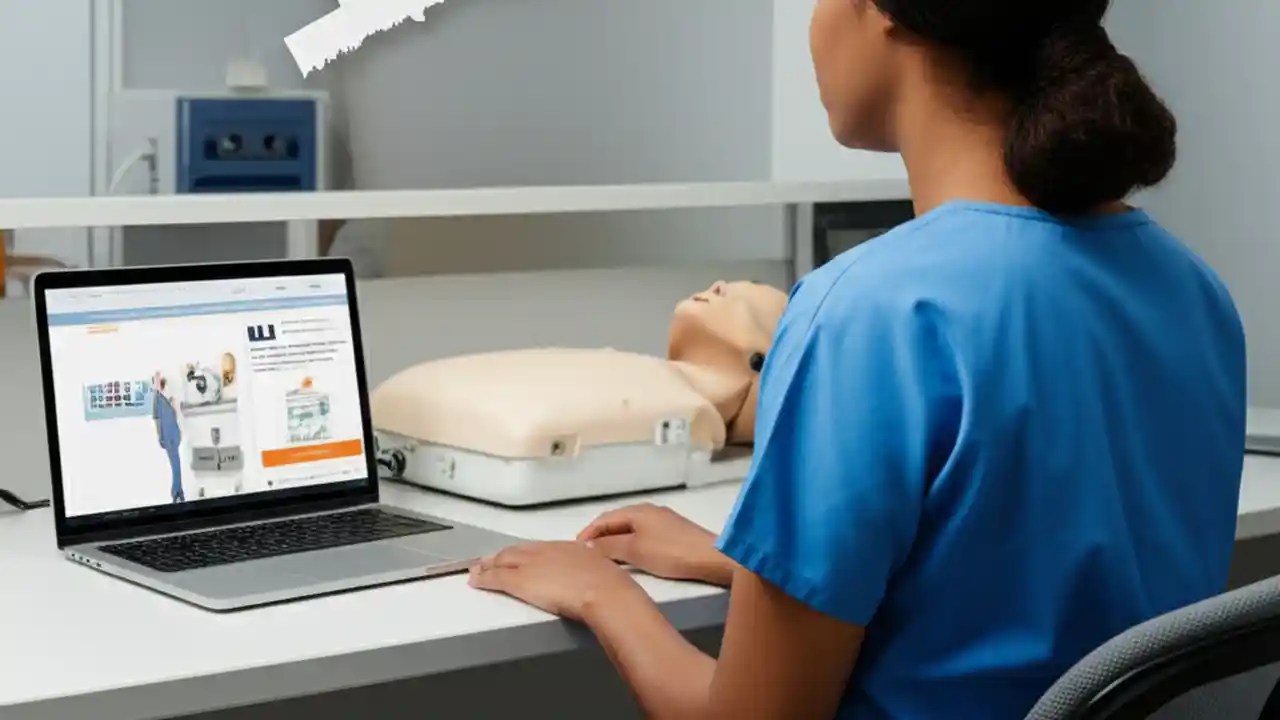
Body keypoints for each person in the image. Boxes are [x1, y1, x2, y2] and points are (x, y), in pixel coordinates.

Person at [467, 1, 1247, 717]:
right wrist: (745, 569)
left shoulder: (870, 310)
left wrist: (606, 597)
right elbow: (1019, 597)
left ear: (880, 13)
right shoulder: (1192, 288)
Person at [152, 372, 185, 504]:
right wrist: (160, 435)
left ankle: (178, 491)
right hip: (169, 434)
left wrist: (162, 435)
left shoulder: (164, 398)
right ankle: (177, 491)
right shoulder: (158, 398)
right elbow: (157, 419)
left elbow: (172, 416)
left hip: (172, 434)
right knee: (175, 464)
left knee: (176, 464)